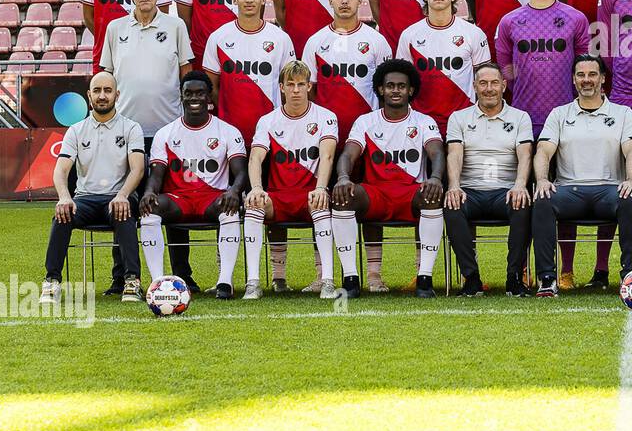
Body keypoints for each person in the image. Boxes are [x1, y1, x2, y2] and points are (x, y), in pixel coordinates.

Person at [493, 0, 591, 290]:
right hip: (524, 119)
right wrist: (518, 88)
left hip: (565, 119)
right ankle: (521, 268)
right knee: (523, 199)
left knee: (560, 196)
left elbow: (583, 67)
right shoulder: (510, 22)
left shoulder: (576, 19)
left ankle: (565, 269)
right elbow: (505, 68)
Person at [331, 59, 446, 299]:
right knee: (345, 195)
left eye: (401, 86)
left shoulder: (424, 122)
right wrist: (342, 177)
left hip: (411, 192)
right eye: (390, 85)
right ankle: (351, 279)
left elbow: (437, 153)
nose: (396, 90)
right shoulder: (366, 121)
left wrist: (435, 177)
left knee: (432, 194)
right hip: (377, 194)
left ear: (411, 90)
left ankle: (424, 279)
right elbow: (347, 155)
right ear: (381, 89)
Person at [531, 56, 632, 296]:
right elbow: (543, 151)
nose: (586, 80)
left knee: (630, 201)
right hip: (569, 190)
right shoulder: (559, 114)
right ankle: (548, 278)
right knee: (542, 201)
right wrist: (541, 179)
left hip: (609, 189)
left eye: (592, 74)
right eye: (581, 75)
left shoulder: (623, 113)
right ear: (573, 80)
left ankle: (630, 278)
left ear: (602, 79)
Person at [138, 72, 248, 299]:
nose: (194, 98)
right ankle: (158, 283)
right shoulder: (165, 134)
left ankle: (224, 283)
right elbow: (157, 175)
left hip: (212, 198)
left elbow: (241, 173)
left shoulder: (228, 131)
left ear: (209, 96)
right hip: (179, 200)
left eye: (200, 93)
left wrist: (234, 190)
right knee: (150, 207)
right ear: (181, 96)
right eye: (188, 93)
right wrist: (149, 192)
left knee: (229, 207)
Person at [39, 72, 146, 305]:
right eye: (97, 91)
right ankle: (51, 281)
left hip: (117, 197)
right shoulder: (76, 130)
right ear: (89, 96)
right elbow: (60, 171)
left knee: (124, 210)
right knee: (63, 214)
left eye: (108, 90)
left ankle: (131, 281)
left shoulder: (131, 128)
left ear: (117, 95)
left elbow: (137, 169)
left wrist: (123, 195)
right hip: (85, 199)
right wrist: (64, 198)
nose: (102, 96)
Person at [242, 60, 339, 300]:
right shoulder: (268, 120)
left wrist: (321, 188)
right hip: (279, 197)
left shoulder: (326, 117)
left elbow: (327, 155)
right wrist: (256, 188)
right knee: (254, 203)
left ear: (309, 87)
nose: (296, 90)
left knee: (320, 201)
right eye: (291, 84)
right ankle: (253, 282)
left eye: (301, 84)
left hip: (309, 194)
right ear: (282, 88)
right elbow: (255, 158)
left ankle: (327, 280)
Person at [443, 62, 535, 297]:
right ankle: (471, 278)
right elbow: (454, 153)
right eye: (483, 83)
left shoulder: (520, 117)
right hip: (470, 191)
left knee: (522, 203)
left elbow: (525, 155)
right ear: (474, 86)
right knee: (452, 205)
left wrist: (520, 185)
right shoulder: (459, 118)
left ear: (504, 86)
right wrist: (454, 186)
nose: (489, 88)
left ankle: (514, 277)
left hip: (505, 191)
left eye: (494, 83)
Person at [201, 0, 297, 161]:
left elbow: (289, 86)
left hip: (272, 131)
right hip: (230, 130)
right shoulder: (218, 37)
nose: (249, 0)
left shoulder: (281, 38)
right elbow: (212, 87)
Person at [396, 0, 491, 137]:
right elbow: (402, 82)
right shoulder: (409, 35)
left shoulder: (474, 34)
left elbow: (484, 80)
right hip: (421, 121)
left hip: (464, 120)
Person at [100, 0, 193, 140]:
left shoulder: (176, 26)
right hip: (124, 128)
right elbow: (107, 76)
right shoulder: (114, 28)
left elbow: (186, 72)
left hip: (169, 126)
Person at [300, 0, 393, 143]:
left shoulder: (377, 41)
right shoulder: (315, 41)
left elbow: (386, 91)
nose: (344, 1)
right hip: (325, 132)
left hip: (367, 131)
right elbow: (309, 91)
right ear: (330, 1)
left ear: (360, 1)